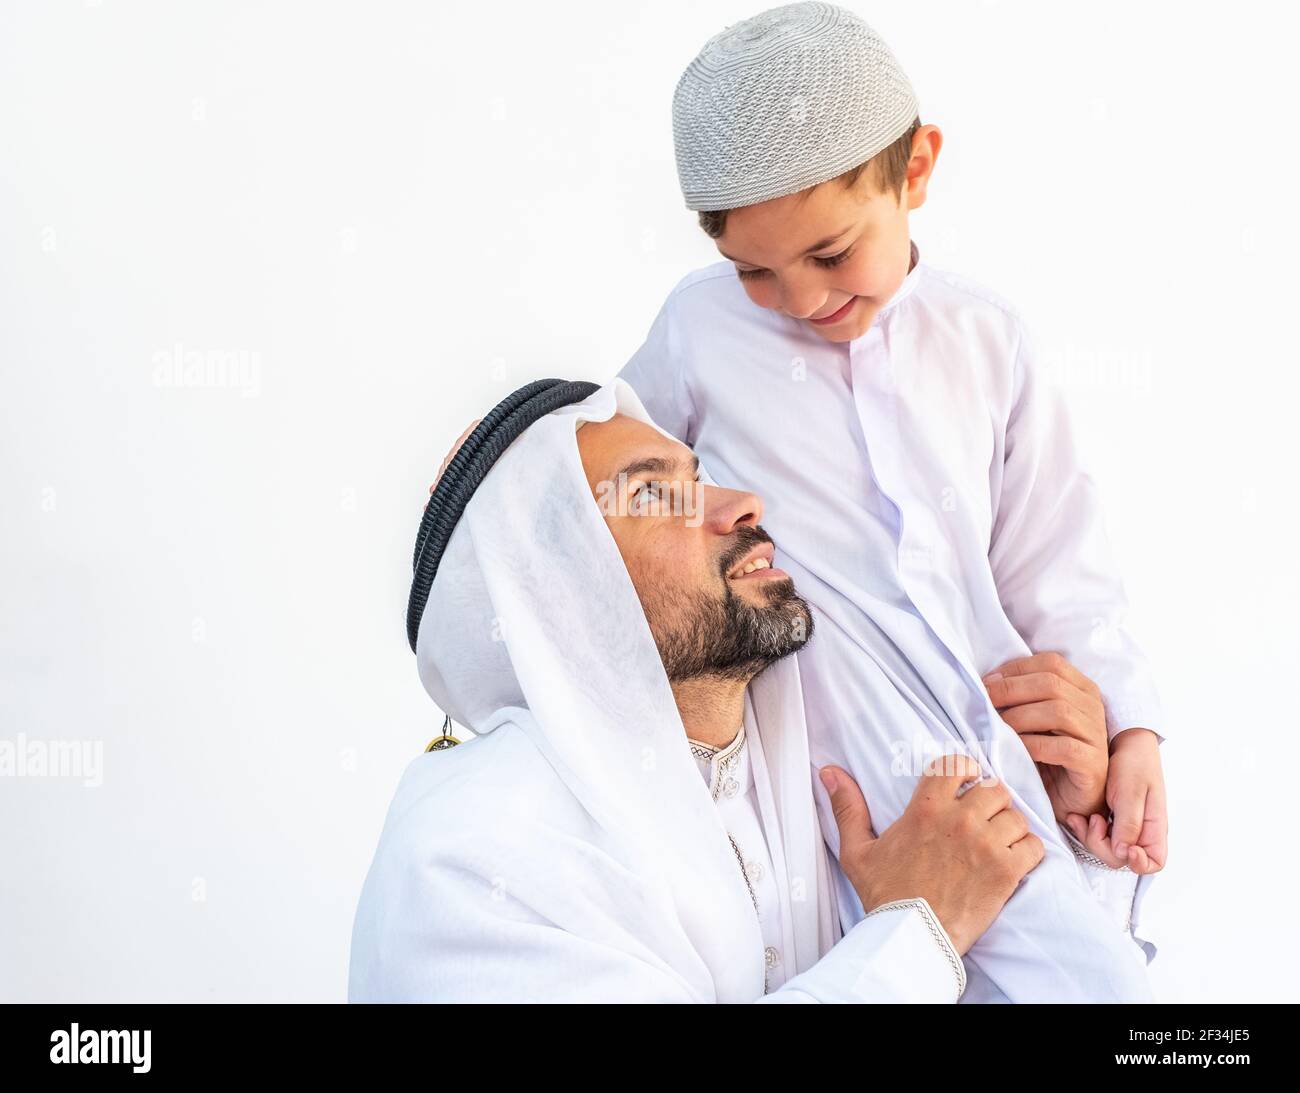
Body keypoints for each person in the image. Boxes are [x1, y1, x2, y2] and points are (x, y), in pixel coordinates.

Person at [615, 2, 1165, 1000]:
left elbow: (1057, 564)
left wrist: (1128, 729)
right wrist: (517, 473)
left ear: (915, 171)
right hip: (825, 737)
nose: (797, 298)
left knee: (1089, 974)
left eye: (828, 255)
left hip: (991, 736)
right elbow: (618, 478)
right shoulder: (697, 330)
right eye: (754, 271)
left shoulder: (985, 340)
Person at [349, 380, 1058, 1003]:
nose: (743, 504)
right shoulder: (472, 844)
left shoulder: (819, 766)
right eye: (657, 494)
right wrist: (912, 936)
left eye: (702, 474)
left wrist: (1071, 808)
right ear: (558, 590)